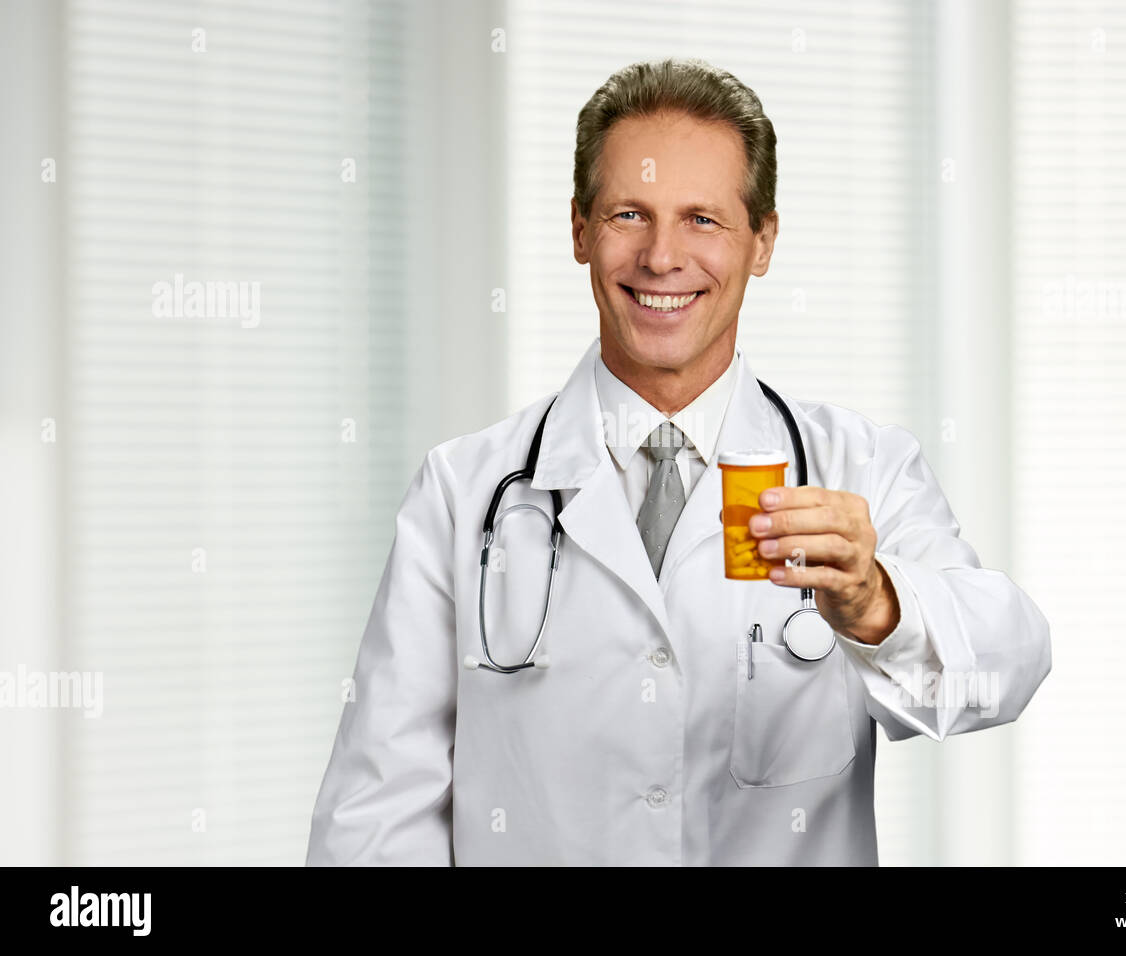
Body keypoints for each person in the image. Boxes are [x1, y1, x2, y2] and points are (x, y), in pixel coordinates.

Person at [306, 57, 1051, 866]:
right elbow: (375, 819)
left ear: (762, 240)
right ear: (580, 229)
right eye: (630, 214)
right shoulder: (464, 493)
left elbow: (1009, 664)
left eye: (703, 219)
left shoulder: (856, 465)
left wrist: (879, 606)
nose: (662, 257)